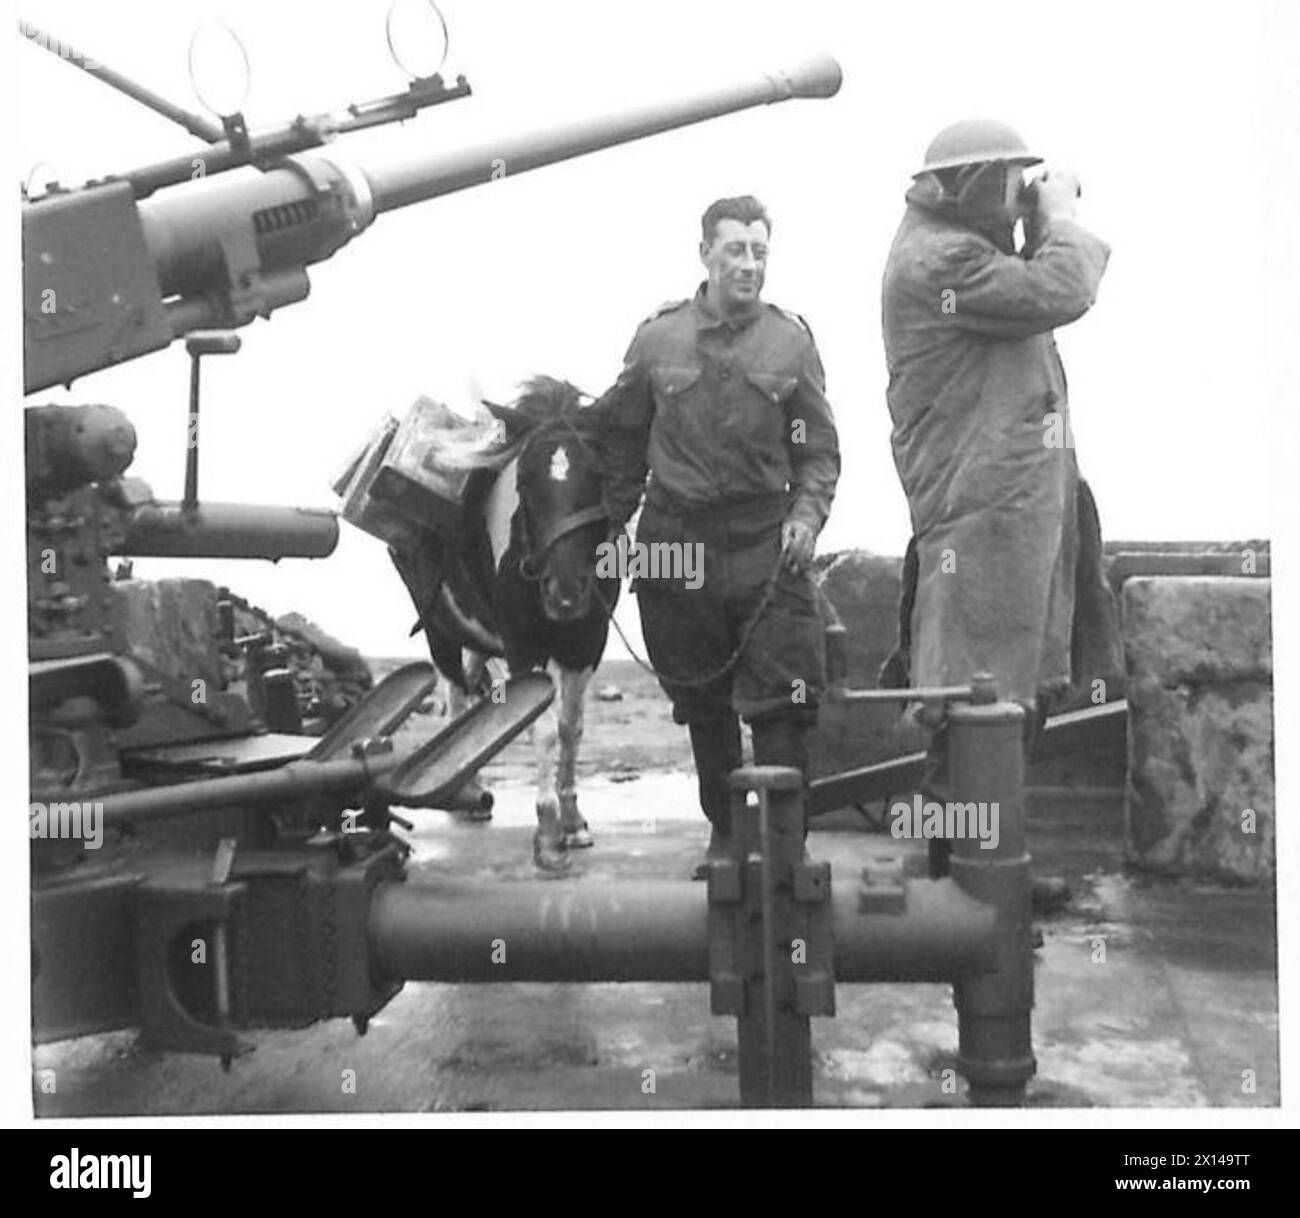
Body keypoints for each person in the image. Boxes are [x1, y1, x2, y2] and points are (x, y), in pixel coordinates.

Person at [880, 119, 1123, 875]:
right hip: (983, 517)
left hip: (1015, 511)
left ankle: (987, 877)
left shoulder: (962, 250)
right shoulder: (938, 258)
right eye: (1008, 181)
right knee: (970, 704)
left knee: (1007, 699)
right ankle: (965, 883)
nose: (1018, 194)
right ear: (965, 184)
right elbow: (1061, 288)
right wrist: (1059, 220)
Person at [600, 195, 840, 877]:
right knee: (702, 702)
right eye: (735, 249)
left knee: (782, 699)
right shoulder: (658, 340)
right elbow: (622, 441)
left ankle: (785, 848)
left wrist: (807, 517)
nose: (749, 264)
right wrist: (613, 527)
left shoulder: (790, 342)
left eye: (760, 251)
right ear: (705, 252)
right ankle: (729, 835)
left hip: (766, 539)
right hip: (676, 541)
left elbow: (817, 449)